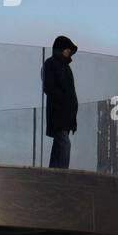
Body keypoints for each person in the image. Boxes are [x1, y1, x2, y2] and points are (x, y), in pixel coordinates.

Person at [41, 36, 78, 169]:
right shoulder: (50, 64)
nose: (69, 52)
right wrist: (63, 101)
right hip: (58, 113)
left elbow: (71, 92)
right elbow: (48, 88)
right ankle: (61, 173)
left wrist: (72, 109)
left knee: (59, 145)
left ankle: (54, 172)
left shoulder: (66, 68)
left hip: (66, 114)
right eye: (67, 50)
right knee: (64, 144)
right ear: (61, 49)